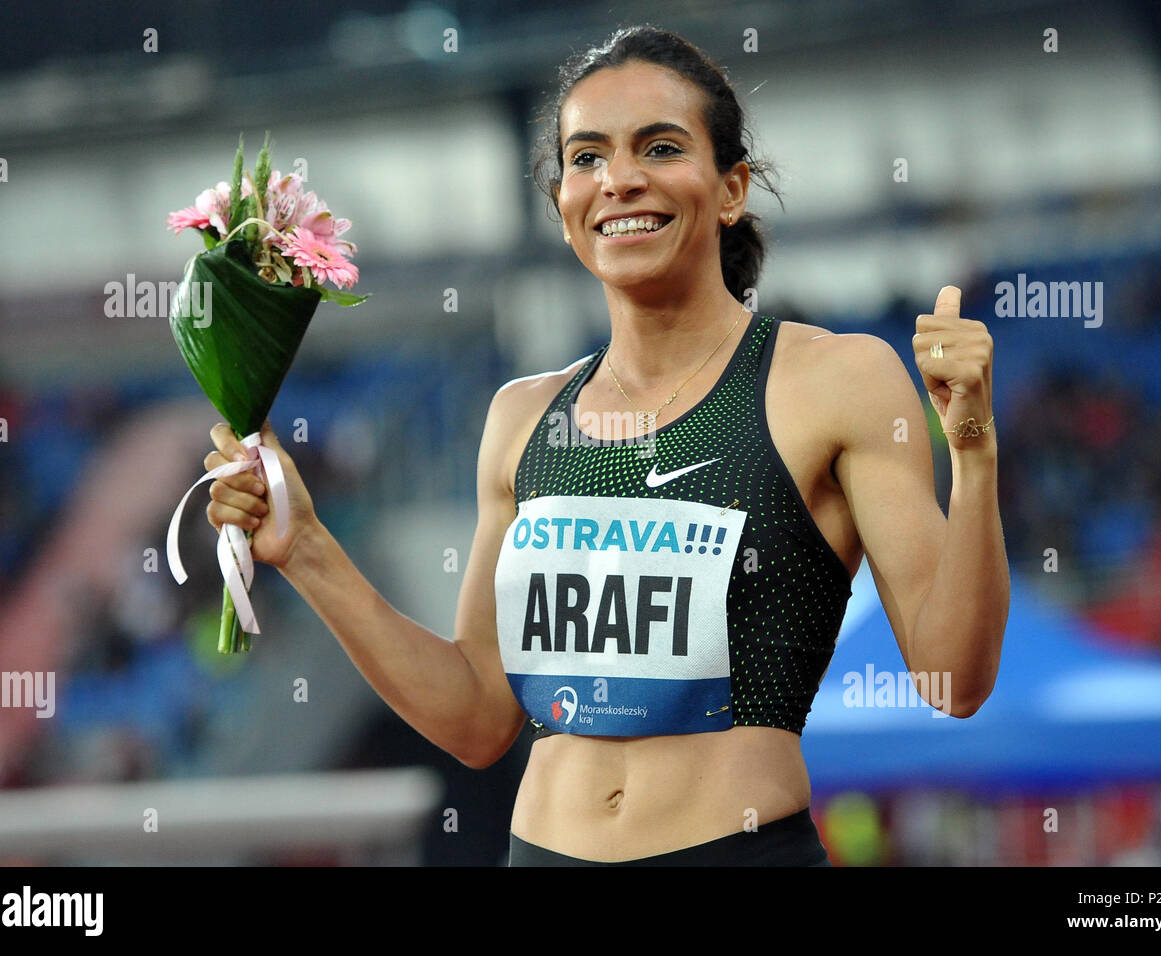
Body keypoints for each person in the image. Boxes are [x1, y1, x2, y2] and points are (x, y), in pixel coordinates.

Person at [203, 25, 1009, 866]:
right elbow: (479, 717)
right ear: (562, 204)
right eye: (586, 158)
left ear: (731, 188)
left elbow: (955, 678)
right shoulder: (522, 417)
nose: (619, 180)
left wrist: (975, 450)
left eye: (660, 148)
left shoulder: (835, 380)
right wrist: (306, 550)